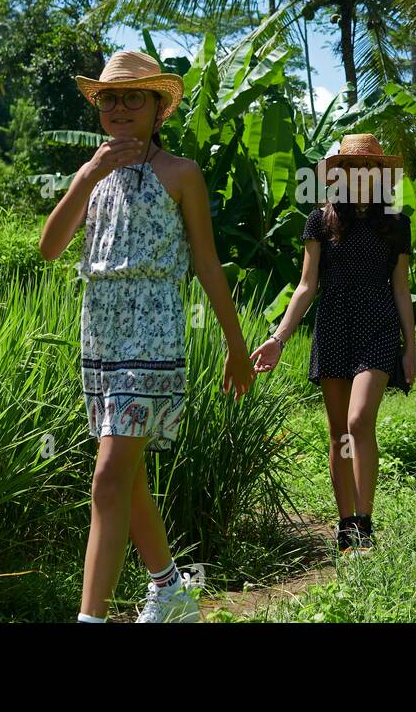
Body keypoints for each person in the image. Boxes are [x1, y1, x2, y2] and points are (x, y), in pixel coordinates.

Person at [38, 50, 255, 623]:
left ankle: (91, 619)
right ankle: (171, 589)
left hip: (152, 331)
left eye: (135, 97)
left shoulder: (182, 173)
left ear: (159, 108)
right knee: (124, 478)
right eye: (109, 98)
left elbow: (207, 264)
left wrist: (236, 345)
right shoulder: (94, 173)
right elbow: (49, 246)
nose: (119, 108)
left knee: (108, 479)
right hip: (99, 333)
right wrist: (88, 175)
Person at [250, 134, 416, 555]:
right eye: (350, 168)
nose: (359, 175)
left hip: (379, 324)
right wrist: (278, 339)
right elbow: (307, 287)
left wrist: (411, 346)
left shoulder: (396, 222)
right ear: (338, 174)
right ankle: (345, 526)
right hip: (334, 324)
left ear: (379, 175)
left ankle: (364, 523)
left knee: (360, 421)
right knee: (338, 431)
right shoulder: (320, 221)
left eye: (367, 168)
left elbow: (401, 289)